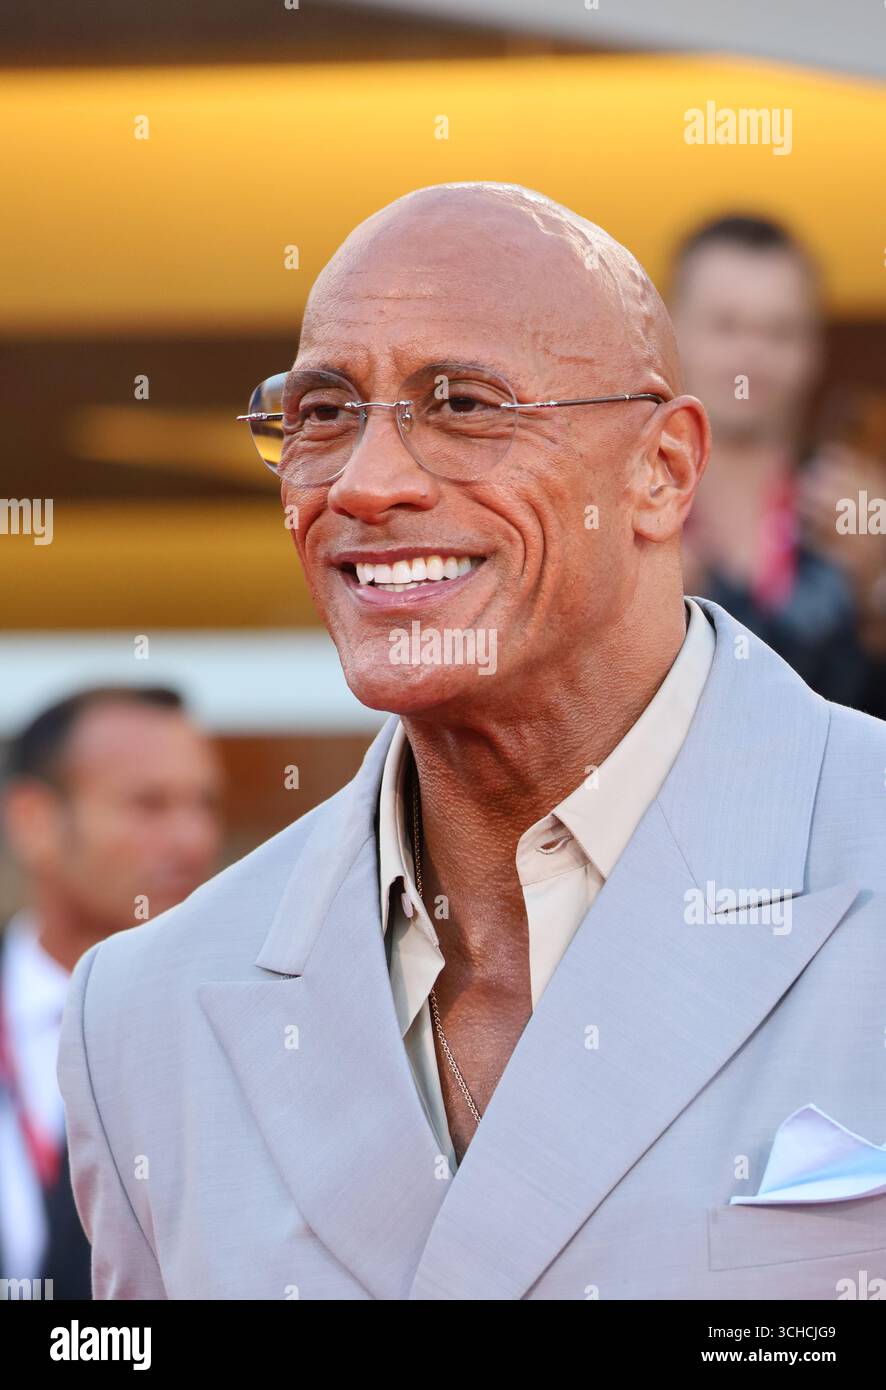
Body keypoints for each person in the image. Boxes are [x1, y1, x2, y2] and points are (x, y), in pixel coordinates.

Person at [58, 184, 886, 1300]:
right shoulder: (145, 1016)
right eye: (320, 413)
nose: (368, 482)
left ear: (662, 471)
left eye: (461, 404)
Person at [1, 686, 222, 1297]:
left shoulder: (247, 1032)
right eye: (149, 806)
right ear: (35, 822)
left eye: (204, 804)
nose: (193, 839)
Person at [670, 214, 870, 707]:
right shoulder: (621, 515)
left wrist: (874, 589)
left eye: (779, 331)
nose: (751, 354)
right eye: (726, 325)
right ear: (669, 332)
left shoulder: (862, 516)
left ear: (814, 348)